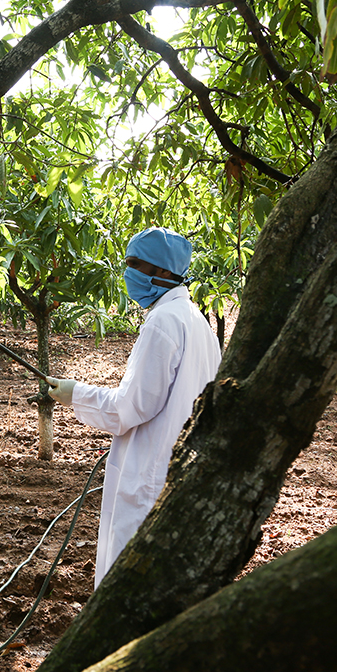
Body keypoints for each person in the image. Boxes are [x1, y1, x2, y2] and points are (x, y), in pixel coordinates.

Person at [46, 227, 221, 588]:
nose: (128, 273)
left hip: (152, 475)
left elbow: (130, 407)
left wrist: (75, 393)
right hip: (179, 470)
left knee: (130, 581)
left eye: (134, 264)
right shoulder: (195, 320)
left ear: (160, 272)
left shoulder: (164, 322)